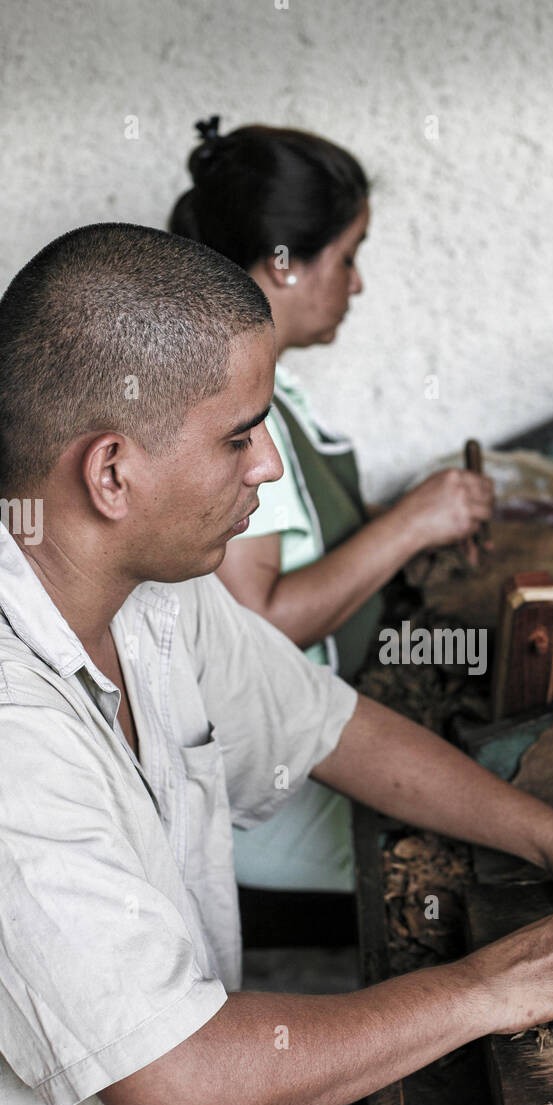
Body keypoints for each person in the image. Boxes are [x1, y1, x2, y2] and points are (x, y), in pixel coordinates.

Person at [0, 223, 553, 1105]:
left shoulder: (155, 598)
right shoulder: (11, 728)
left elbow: (328, 724)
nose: (266, 466)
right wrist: (479, 989)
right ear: (111, 472)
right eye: (239, 438)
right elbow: (176, 1085)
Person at [170, 117, 494, 896]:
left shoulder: (271, 389)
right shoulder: (235, 409)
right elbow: (258, 621)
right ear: (283, 267)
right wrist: (411, 523)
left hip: (309, 717)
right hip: (259, 776)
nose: (356, 283)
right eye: (346, 258)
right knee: (469, 862)